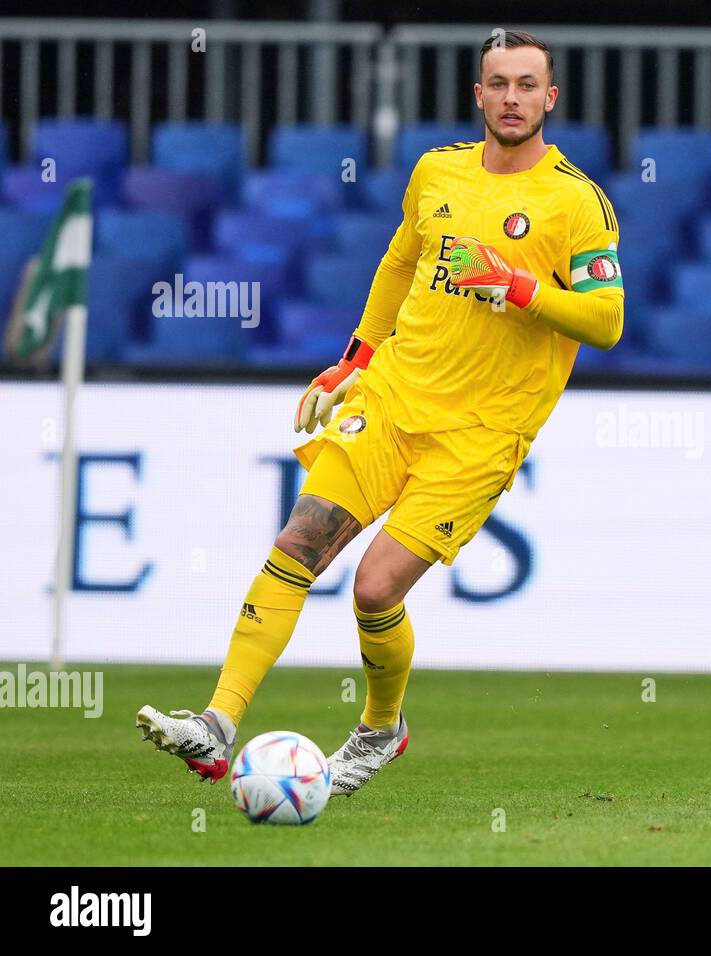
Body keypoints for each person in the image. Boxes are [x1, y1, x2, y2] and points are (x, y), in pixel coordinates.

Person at [136, 30, 624, 797]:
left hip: (480, 433)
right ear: (478, 93)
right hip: (394, 398)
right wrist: (356, 358)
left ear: (550, 99)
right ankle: (217, 726)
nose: (511, 99)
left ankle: (380, 728)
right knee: (300, 541)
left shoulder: (575, 202)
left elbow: (607, 321)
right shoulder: (437, 171)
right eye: (497, 84)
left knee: (373, 590)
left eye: (527, 85)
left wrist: (519, 287)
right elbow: (401, 260)